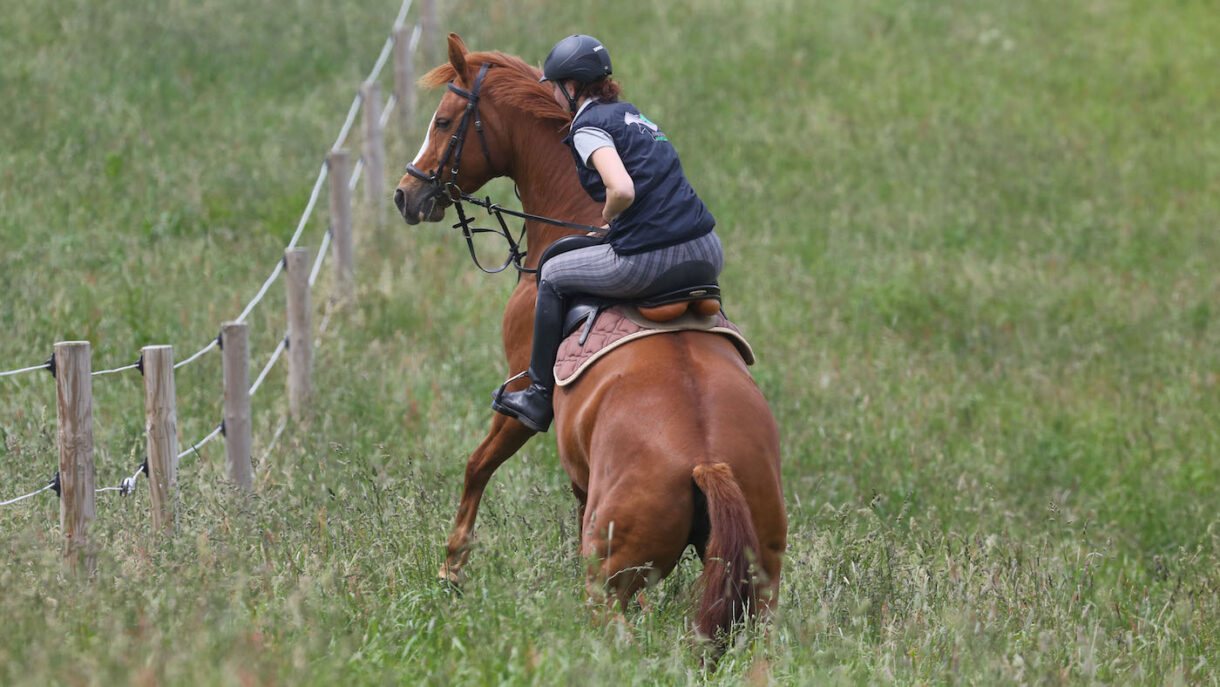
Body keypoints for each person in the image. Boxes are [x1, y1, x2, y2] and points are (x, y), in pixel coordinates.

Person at [491, 34, 723, 432]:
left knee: (552, 274)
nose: (556, 98)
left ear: (572, 86)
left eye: (557, 88)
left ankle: (538, 394)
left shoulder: (587, 127)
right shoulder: (634, 116)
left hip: (651, 260)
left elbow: (623, 188)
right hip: (707, 252)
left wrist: (610, 216)